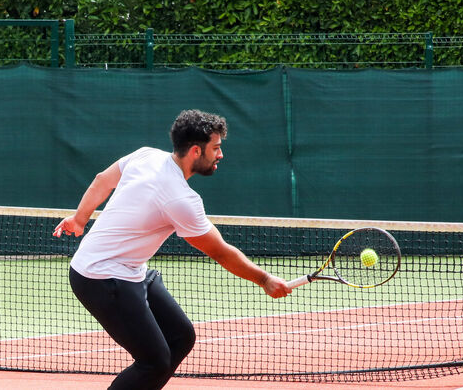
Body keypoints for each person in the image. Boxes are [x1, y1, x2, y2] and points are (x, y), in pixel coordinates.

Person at [53, 109, 291, 389]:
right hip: (100, 277)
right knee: (154, 361)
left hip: (127, 270)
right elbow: (221, 252)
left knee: (181, 336)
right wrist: (263, 279)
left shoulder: (146, 155)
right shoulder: (181, 199)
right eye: (215, 148)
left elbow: (101, 179)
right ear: (194, 151)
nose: (220, 155)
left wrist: (80, 219)